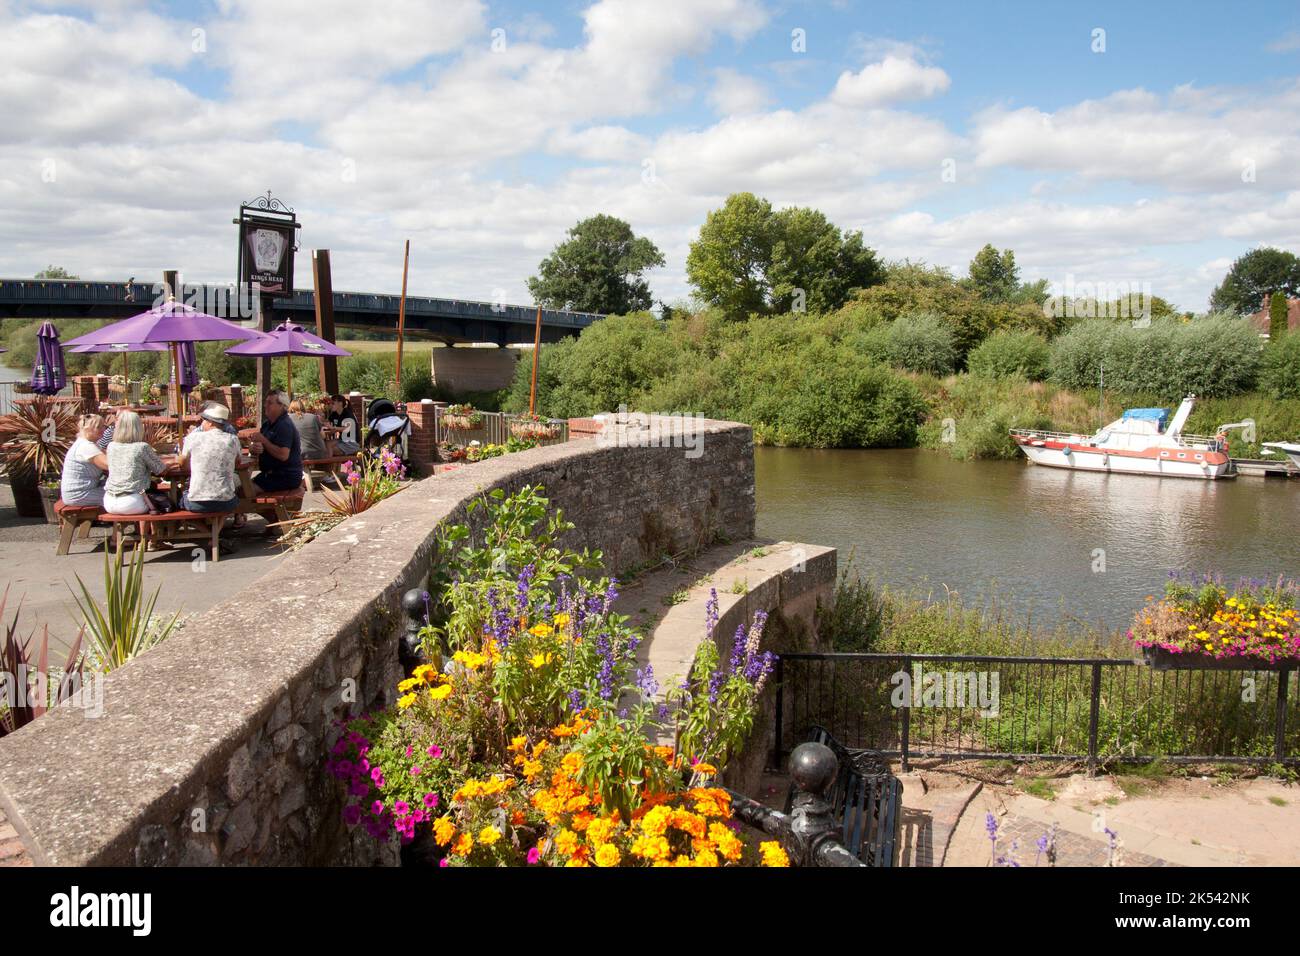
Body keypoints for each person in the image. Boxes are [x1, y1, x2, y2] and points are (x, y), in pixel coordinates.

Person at [178, 404, 241, 514]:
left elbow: (182, 463)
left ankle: (204, 529)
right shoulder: (233, 439)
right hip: (226, 502)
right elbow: (237, 462)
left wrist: (177, 459)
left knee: (179, 496)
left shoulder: (193, 437)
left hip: (196, 502)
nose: (202, 423)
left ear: (210, 422)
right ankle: (215, 529)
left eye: (203, 420)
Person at [103, 410, 166, 515]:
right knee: (160, 501)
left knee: (148, 495)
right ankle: (154, 531)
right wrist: (174, 463)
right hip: (132, 502)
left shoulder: (111, 446)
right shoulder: (141, 447)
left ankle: (143, 531)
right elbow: (160, 470)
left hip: (109, 502)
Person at [249, 390, 303, 492]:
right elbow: (261, 447)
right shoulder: (267, 424)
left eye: (270, 403)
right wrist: (253, 448)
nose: (265, 405)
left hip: (284, 477)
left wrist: (264, 441)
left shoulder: (284, 425)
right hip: (271, 475)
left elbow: (283, 455)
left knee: (244, 492)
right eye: (266, 402)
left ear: (282, 406)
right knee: (241, 488)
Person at [61, 414, 109, 507]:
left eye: (103, 426)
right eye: (99, 427)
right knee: (121, 496)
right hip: (79, 494)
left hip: (81, 491)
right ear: (88, 429)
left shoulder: (86, 443)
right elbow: (109, 465)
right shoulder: (86, 446)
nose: (104, 429)